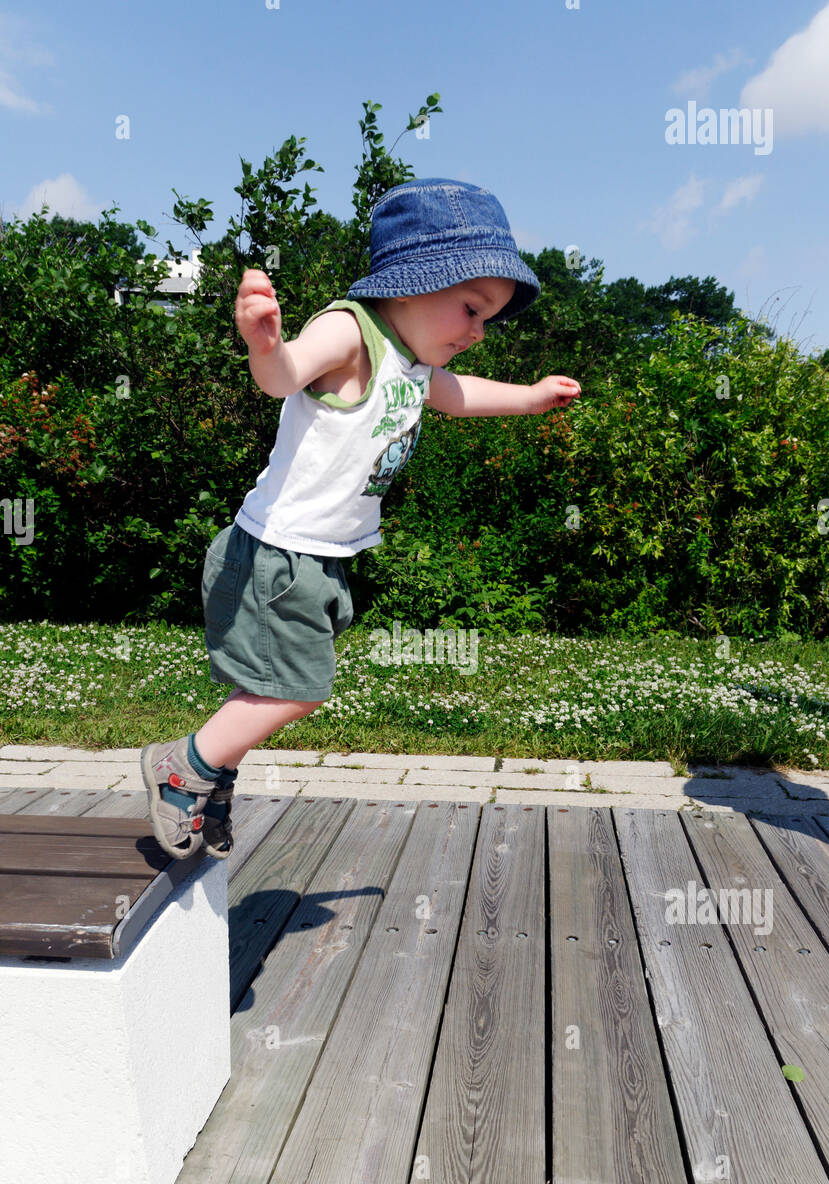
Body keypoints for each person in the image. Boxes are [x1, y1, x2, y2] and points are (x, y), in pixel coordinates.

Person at [141, 177, 581, 860]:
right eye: (471, 308)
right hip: (274, 557)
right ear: (411, 283)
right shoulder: (349, 332)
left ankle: (214, 777)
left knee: (265, 691)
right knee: (296, 689)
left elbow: (458, 398)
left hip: (318, 558)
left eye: (487, 316)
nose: (478, 331)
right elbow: (285, 376)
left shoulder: (407, 364)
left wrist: (527, 398)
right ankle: (184, 768)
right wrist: (265, 345)